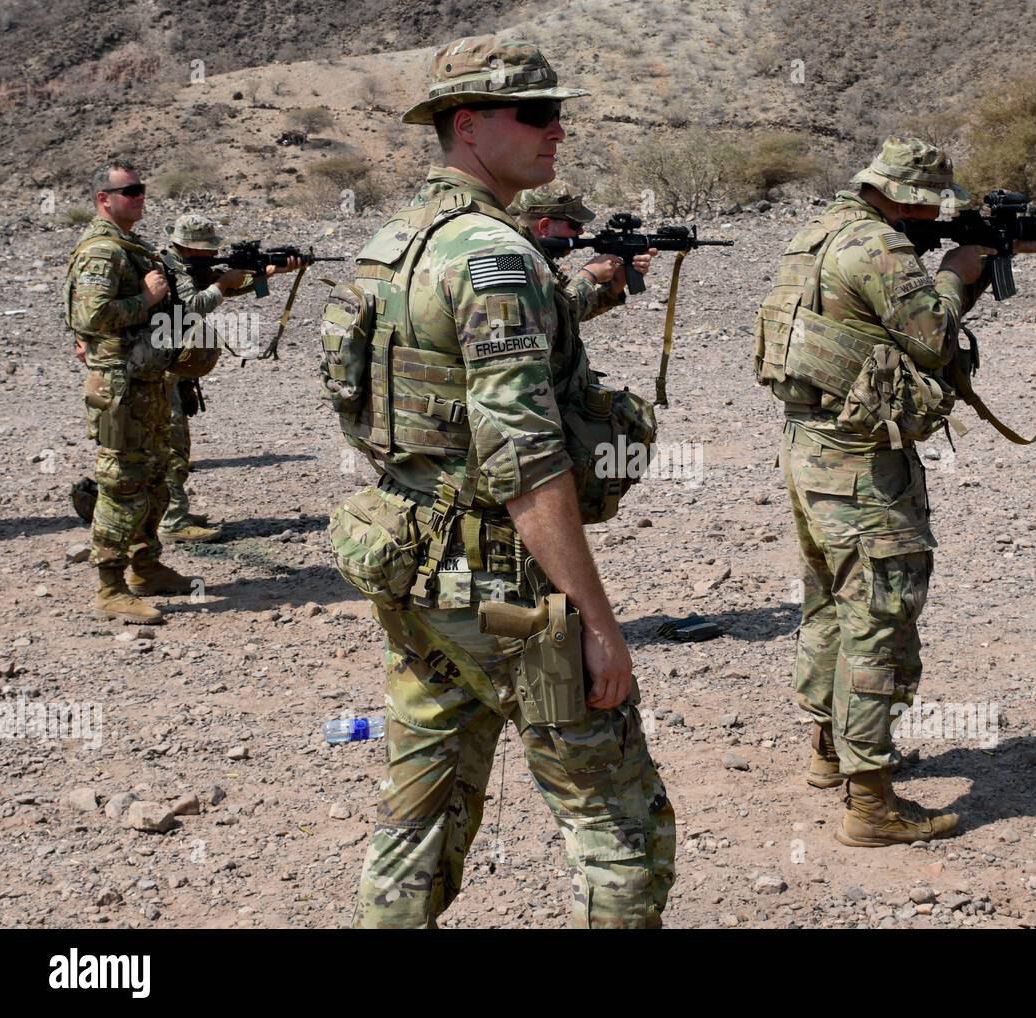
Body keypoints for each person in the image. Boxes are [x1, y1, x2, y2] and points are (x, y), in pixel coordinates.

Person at [325, 35, 675, 928]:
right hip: (502, 585)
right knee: (619, 826)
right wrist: (598, 626)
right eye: (537, 113)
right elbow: (526, 462)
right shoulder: (496, 257)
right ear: (469, 124)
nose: (558, 131)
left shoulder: (396, 241)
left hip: (412, 564)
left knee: (419, 816)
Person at [755, 137, 1036, 847]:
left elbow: (885, 325)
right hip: (862, 462)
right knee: (880, 616)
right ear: (900, 198)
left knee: (831, 604)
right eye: (929, 206)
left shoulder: (822, 232)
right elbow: (931, 339)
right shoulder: (880, 246)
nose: (935, 216)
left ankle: (831, 751)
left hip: (812, 447)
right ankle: (871, 805)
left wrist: (994, 257)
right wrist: (959, 271)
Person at [64, 161, 195, 625]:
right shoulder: (103, 251)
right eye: (130, 191)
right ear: (104, 198)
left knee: (155, 476)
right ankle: (110, 587)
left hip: (145, 381)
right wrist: (148, 300)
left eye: (142, 189)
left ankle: (145, 566)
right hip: (120, 386)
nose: (140, 197)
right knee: (123, 482)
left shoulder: (128, 246)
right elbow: (92, 316)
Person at [155, 214, 303, 542]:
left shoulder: (185, 265)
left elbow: (224, 285)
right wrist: (223, 283)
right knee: (172, 447)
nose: (212, 254)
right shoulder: (172, 269)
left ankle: (167, 511)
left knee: (171, 445)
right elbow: (195, 304)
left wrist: (267, 273)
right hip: (159, 369)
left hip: (167, 365)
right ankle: (172, 521)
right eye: (206, 249)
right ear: (186, 247)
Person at [508, 181, 655, 321]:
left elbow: (571, 311)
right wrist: (589, 276)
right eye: (575, 225)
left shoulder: (535, 256)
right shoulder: (514, 260)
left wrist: (616, 284)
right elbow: (550, 318)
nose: (581, 231)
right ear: (544, 226)